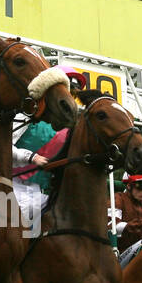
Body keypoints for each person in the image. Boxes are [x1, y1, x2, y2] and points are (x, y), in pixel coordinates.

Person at [10, 66, 87, 226]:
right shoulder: (26, 115)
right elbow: (1, 149)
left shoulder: (73, 128)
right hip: (8, 189)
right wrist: (31, 157)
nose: (68, 99)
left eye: (73, 94)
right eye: (65, 91)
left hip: (43, 196)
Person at [113, 171, 142, 252]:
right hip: (119, 255)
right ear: (129, 186)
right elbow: (112, 227)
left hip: (140, 251)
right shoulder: (118, 199)